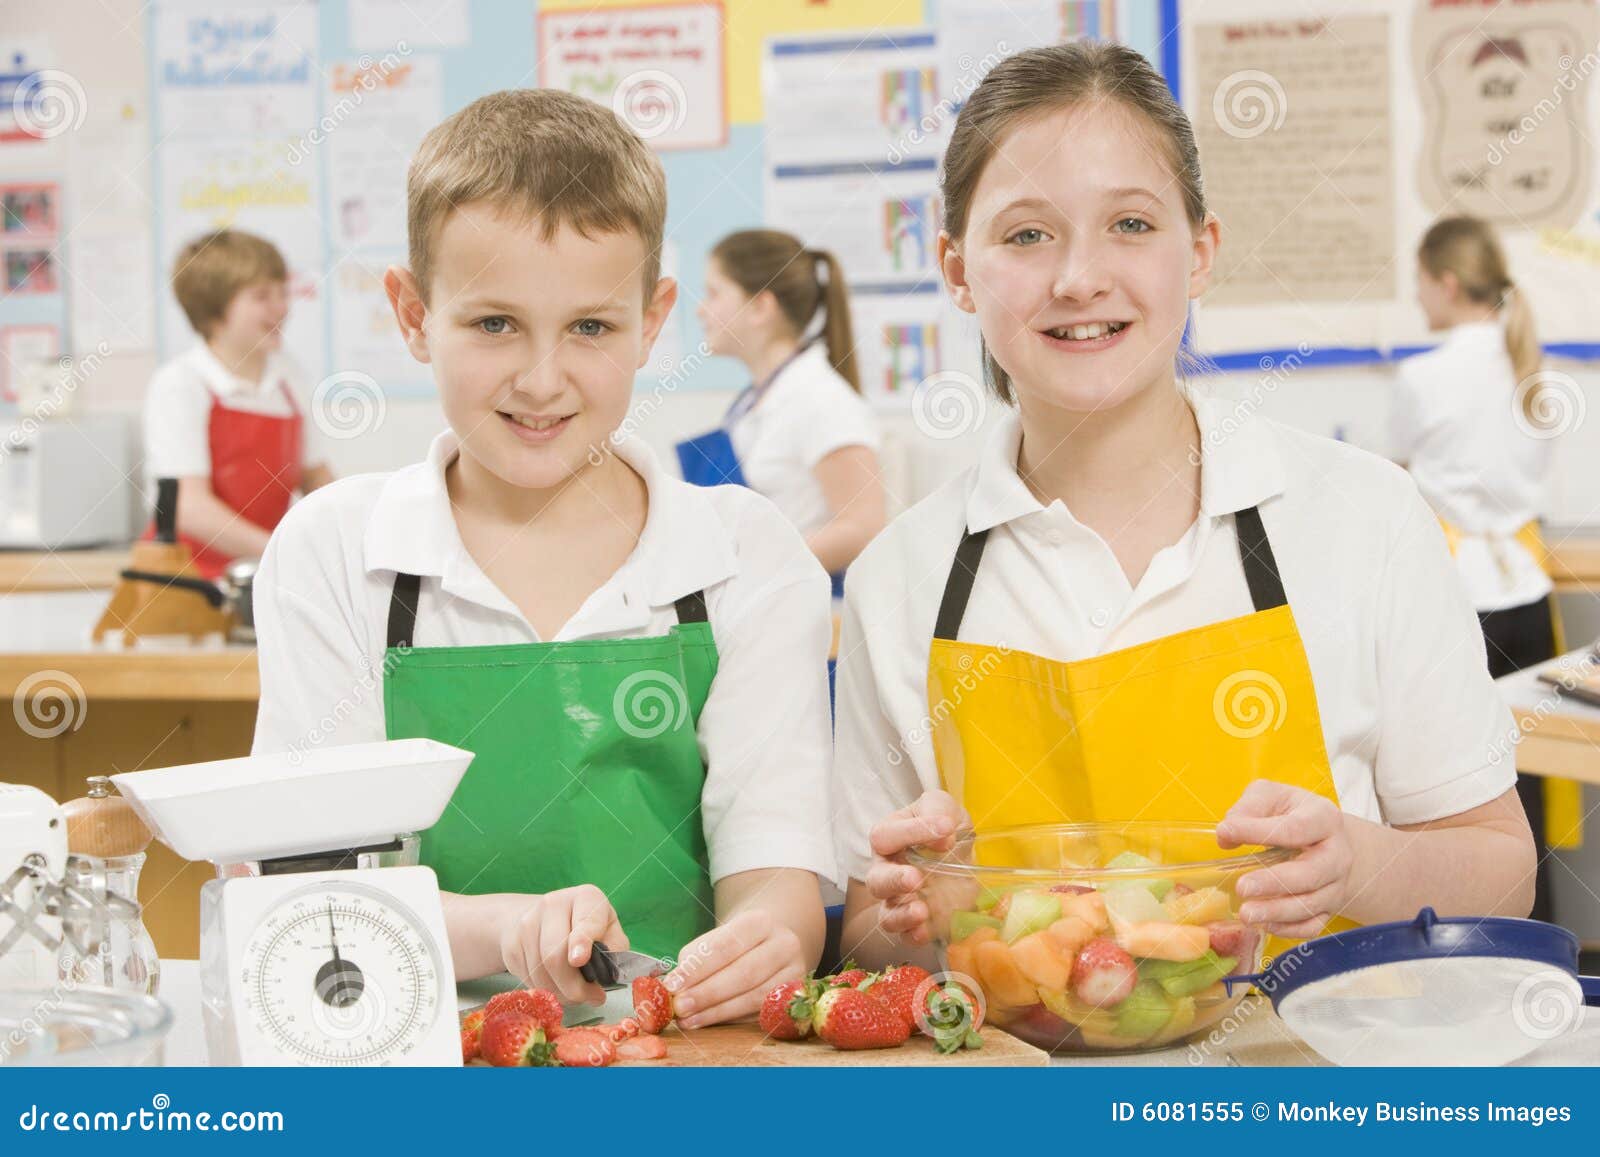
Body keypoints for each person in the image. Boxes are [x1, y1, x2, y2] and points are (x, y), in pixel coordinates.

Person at [832, 42, 1537, 969]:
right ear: (959, 270)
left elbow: (1503, 870)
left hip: (1317, 1093)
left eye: (1129, 223)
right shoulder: (899, 579)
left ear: (1199, 252)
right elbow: (868, 938)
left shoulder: (1366, 517)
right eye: (1027, 234)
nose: (1079, 277)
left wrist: (1358, 865)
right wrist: (932, 899)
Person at [250, 90, 834, 1027]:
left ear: (653, 321)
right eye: (493, 324)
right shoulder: (333, 553)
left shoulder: (746, 555)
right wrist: (509, 930)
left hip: (682, 1062)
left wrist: (772, 937)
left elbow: (777, 867)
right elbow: (308, 894)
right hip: (415, 1059)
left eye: (591, 328)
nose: (541, 378)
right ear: (411, 312)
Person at [1394, 215, 1574, 923]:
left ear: (1445, 280)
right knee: (1533, 779)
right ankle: (1550, 948)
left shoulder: (1422, 374)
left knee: (1459, 791)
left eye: (1420, 282)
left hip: (1457, 596)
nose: (1417, 298)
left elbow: (1397, 477)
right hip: (1528, 592)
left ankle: (1475, 951)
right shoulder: (1537, 369)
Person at [683, 229, 886, 594]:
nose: (701, 309)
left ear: (761, 307)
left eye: (714, 293)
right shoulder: (753, 403)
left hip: (804, 608)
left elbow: (863, 525)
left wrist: (757, 570)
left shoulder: (822, 400)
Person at [142, 229, 333, 578]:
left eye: (282, 292)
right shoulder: (182, 383)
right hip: (185, 580)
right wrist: (280, 550)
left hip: (257, 573)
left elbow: (317, 478)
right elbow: (189, 506)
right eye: (262, 296)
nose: (281, 307)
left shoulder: (290, 380)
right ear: (214, 310)